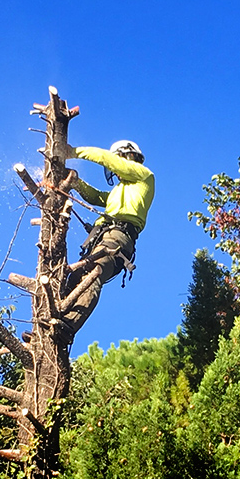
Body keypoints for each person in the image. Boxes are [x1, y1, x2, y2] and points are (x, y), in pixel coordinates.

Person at [58, 140, 155, 338]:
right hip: (103, 237)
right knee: (74, 278)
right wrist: (76, 182)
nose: (116, 172)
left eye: (118, 162)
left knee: (93, 274)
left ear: (129, 156)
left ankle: (67, 327)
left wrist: (73, 151)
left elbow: (106, 158)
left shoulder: (143, 176)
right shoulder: (120, 190)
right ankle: (54, 318)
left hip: (119, 237)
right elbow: (96, 197)